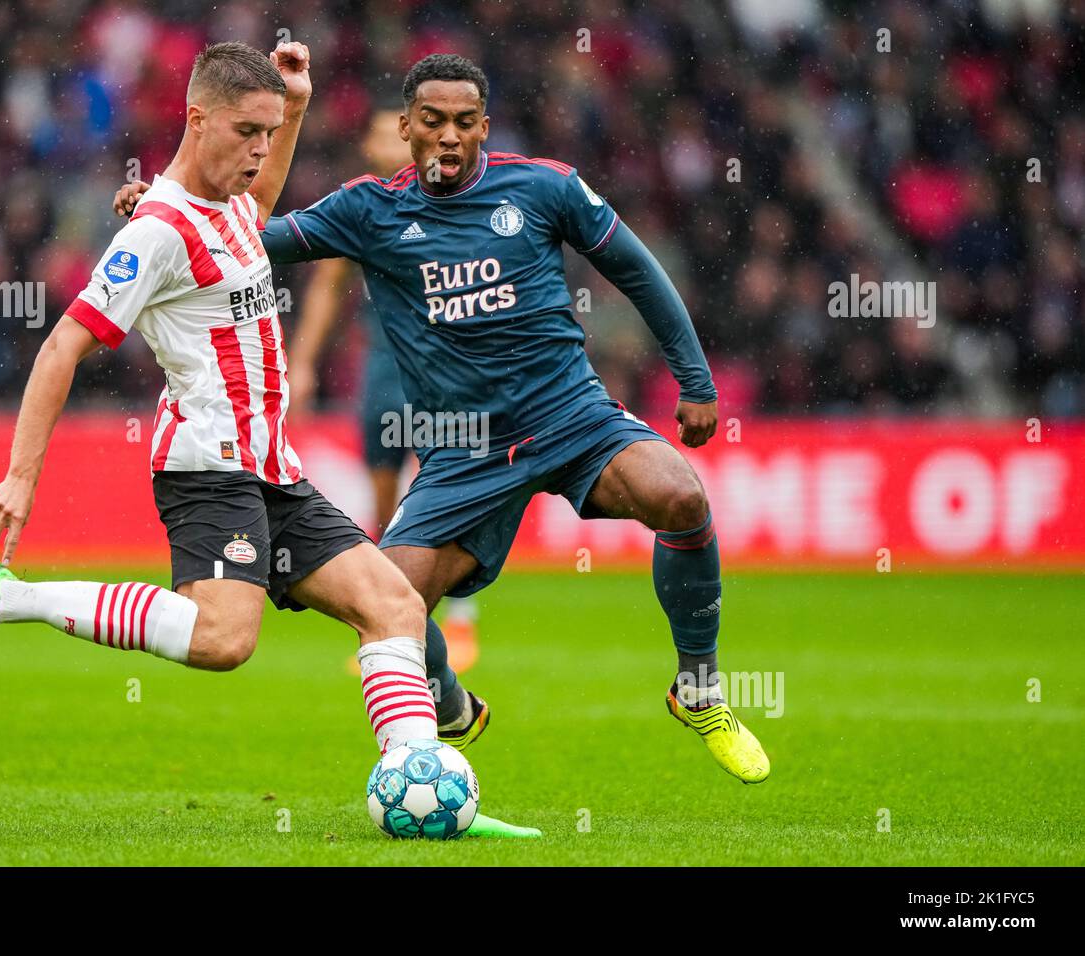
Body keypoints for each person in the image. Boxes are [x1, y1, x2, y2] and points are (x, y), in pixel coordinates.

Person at [117, 53, 769, 783]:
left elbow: (636, 269)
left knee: (679, 494)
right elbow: (244, 243)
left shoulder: (544, 186)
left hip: (572, 418)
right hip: (464, 453)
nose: (449, 136)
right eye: (432, 122)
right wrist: (163, 206)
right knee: (388, 597)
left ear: (484, 126)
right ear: (407, 128)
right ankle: (451, 703)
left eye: (465, 122)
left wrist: (694, 378)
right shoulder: (368, 209)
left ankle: (699, 686)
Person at [0, 42, 444, 764]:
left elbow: (260, 202)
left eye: (268, 133)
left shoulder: (231, 208)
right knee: (224, 640)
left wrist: (298, 106)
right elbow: (62, 346)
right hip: (208, 468)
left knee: (396, 606)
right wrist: (19, 477)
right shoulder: (156, 232)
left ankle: (423, 784)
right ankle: (5, 597)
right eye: (247, 132)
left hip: (272, 468)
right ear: (196, 119)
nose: (260, 150)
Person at [287, 105, 481, 677]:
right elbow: (326, 288)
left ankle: (460, 624)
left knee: (446, 489)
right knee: (382, 499)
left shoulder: (456, 206)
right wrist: (302, 362)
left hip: (446, 370)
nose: (384, 143)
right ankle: (391, 624)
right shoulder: (367, 211)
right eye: (373, 133)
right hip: (382, 369)